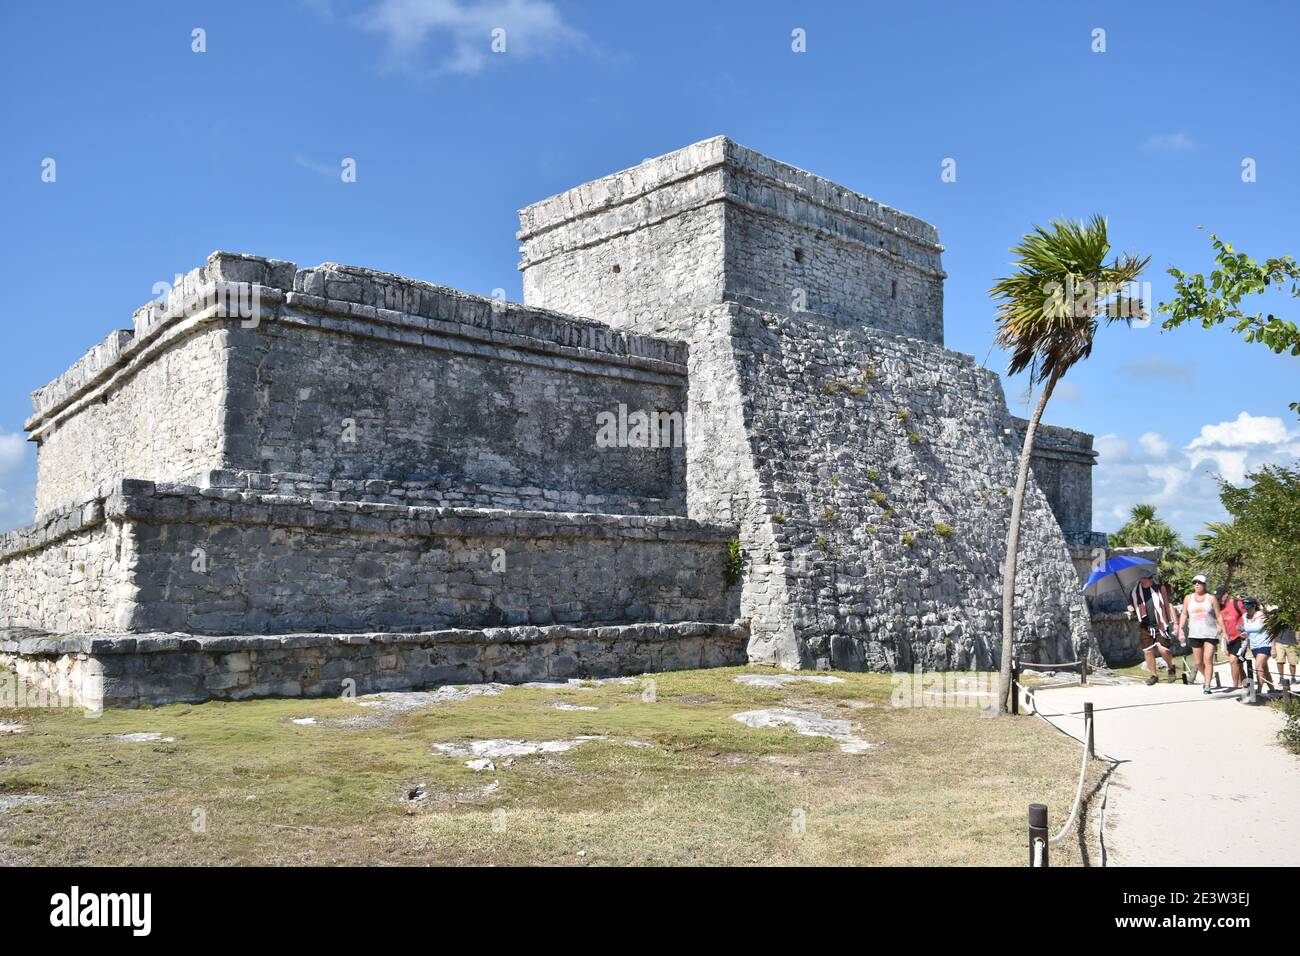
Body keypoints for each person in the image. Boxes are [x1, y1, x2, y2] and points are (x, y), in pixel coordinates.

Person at [1127, 572, 1178, 686]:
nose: (1143, 581)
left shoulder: (1160, 589)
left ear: (1151, 579)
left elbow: (1168, 605)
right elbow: (1132, 607)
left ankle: (1171, 667)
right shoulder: (1134, 593)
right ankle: (1154, 675)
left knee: (1163, 649)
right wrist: (1130, 607)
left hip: (1160, 624)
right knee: (1148, 651)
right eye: (1141, 579)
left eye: (1145, 579)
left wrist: (1175, 622)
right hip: (1145, 625)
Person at [1178, 574, 1225, 694]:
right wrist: (1180, 627)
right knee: (1199, 662)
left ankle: (1207, 685)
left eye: (1199, 583)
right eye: (1195, 583)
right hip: (1195, 633)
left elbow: (1218, 615)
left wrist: (1224, 631)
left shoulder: (1211, 598)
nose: (1197, 585)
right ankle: (1206, 677)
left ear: (1205, 585)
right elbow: (1184, 613)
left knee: (1208, 659)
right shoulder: (1188, 598)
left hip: (1210, 633)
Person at [1241, 599, 1274, 694]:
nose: (1247, 610)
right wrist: (1244, 635)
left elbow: (1272, 631)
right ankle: (1272, 689)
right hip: (1254, 646)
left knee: (1258, 665)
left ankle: (1259, 690)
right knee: (1264, 668)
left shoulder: (1261, 615)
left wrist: (1274, 647)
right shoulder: (1244, 616)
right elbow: (1248, 631)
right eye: (1245, 608)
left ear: (1254, 606)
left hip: (1265, 644)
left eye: (1249, 608)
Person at [1216, 587, 1247, 689]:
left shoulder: (1236, 604)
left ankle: (1235, 685)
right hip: (1229, 639)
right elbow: (1220, 626)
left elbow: (1246, 617)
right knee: (1238, 664)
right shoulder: (1220, 609)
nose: (1219, 600)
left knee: (1233, 660)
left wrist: (1247, 632)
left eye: (1220, 597)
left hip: (1240, 637)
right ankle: (1246, 683)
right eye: (1217, 598)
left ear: (1226, 594)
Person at [1270, 613, 1297, 686]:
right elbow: (1273, 633)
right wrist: (1273, 647)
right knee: (1280, 661)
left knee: (1292, 661)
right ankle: (1281, 678)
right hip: (1279, 642)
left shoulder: (1293, 616)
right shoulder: (1276, 617)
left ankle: (1293, 677)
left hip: (1291, 642)